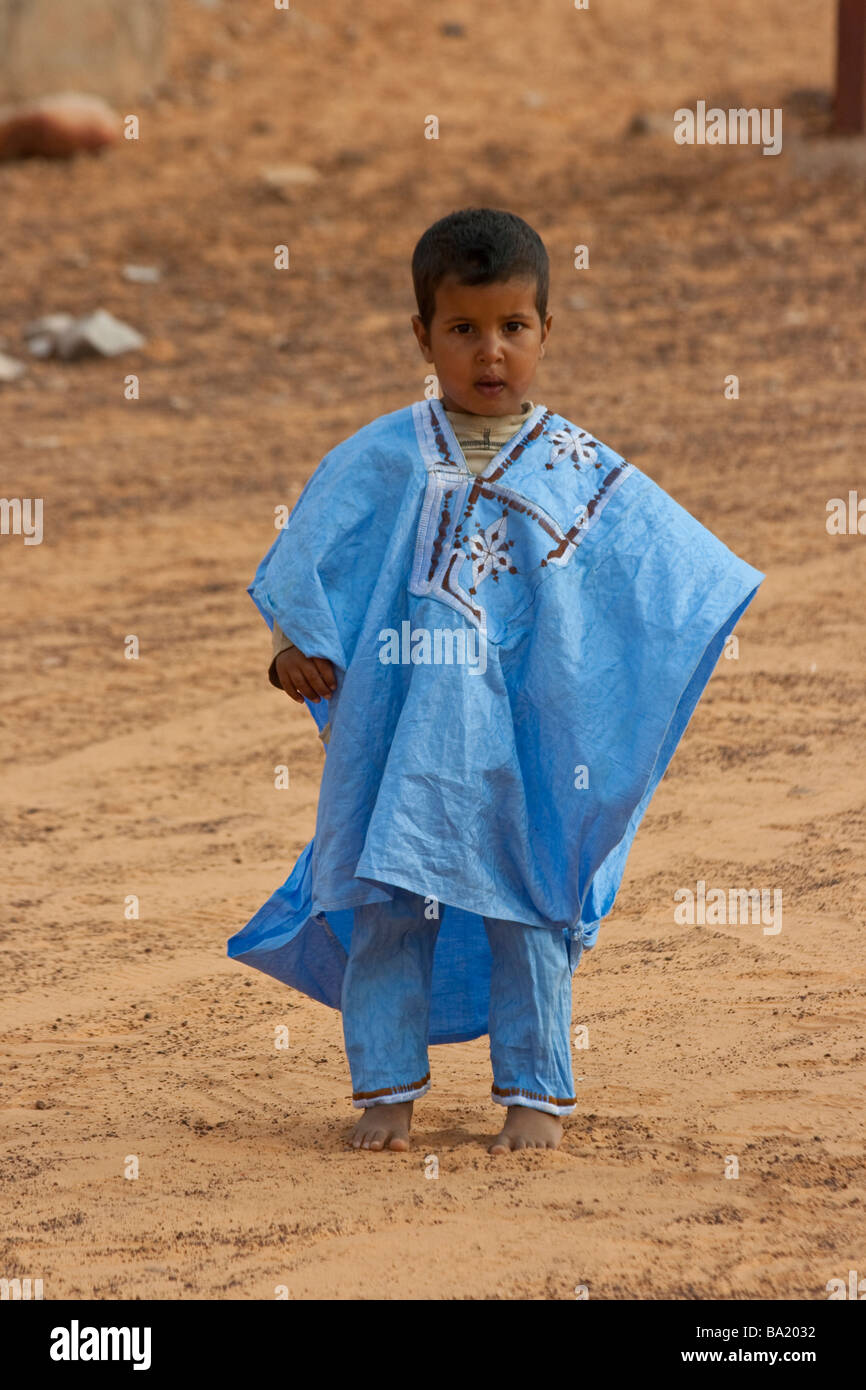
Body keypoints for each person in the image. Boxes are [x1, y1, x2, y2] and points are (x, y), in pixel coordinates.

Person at [227, 207, 764, 1155]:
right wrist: (289, 648)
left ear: (546, 333)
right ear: (422, 335)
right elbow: (312, 556)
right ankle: (385, 1093)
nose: (491, 353)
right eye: (464, 329)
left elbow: (654, 572)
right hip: (399, 743)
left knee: (531, 902)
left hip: (526, 739)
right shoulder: (383, 455)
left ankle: (534, 1095)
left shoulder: (575, 464)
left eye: (514, 328)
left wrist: (690, 627)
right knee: (388, 902)